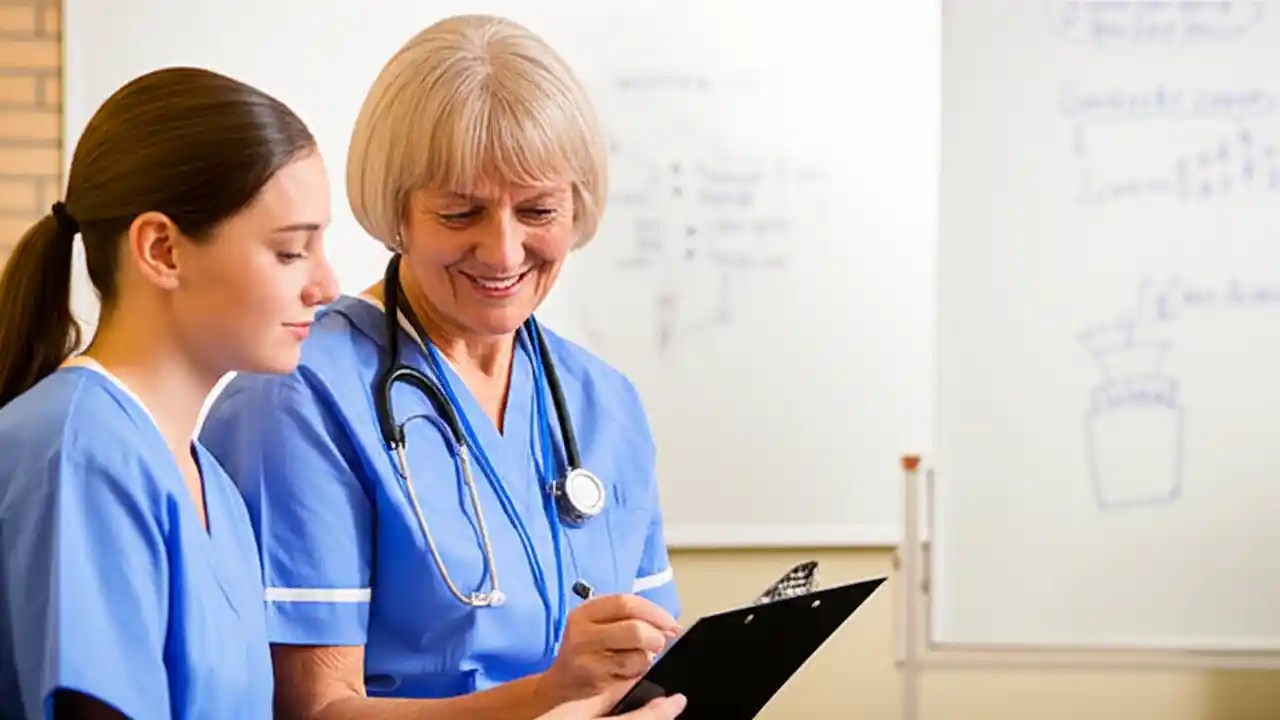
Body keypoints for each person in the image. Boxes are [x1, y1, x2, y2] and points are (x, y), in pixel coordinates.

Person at [198, 13, 685, 719]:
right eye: (461, 214)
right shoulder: (300, 395)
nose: (504, 252)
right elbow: (313, 709)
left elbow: (644, 664)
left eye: (539, 210)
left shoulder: (602, 402)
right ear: (398, 214)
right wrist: (550, 701)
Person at [0, 66, 338, 719]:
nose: (325, 286)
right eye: (292, 252)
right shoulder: (81, 454)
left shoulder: (212, 489)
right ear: (161, 249)